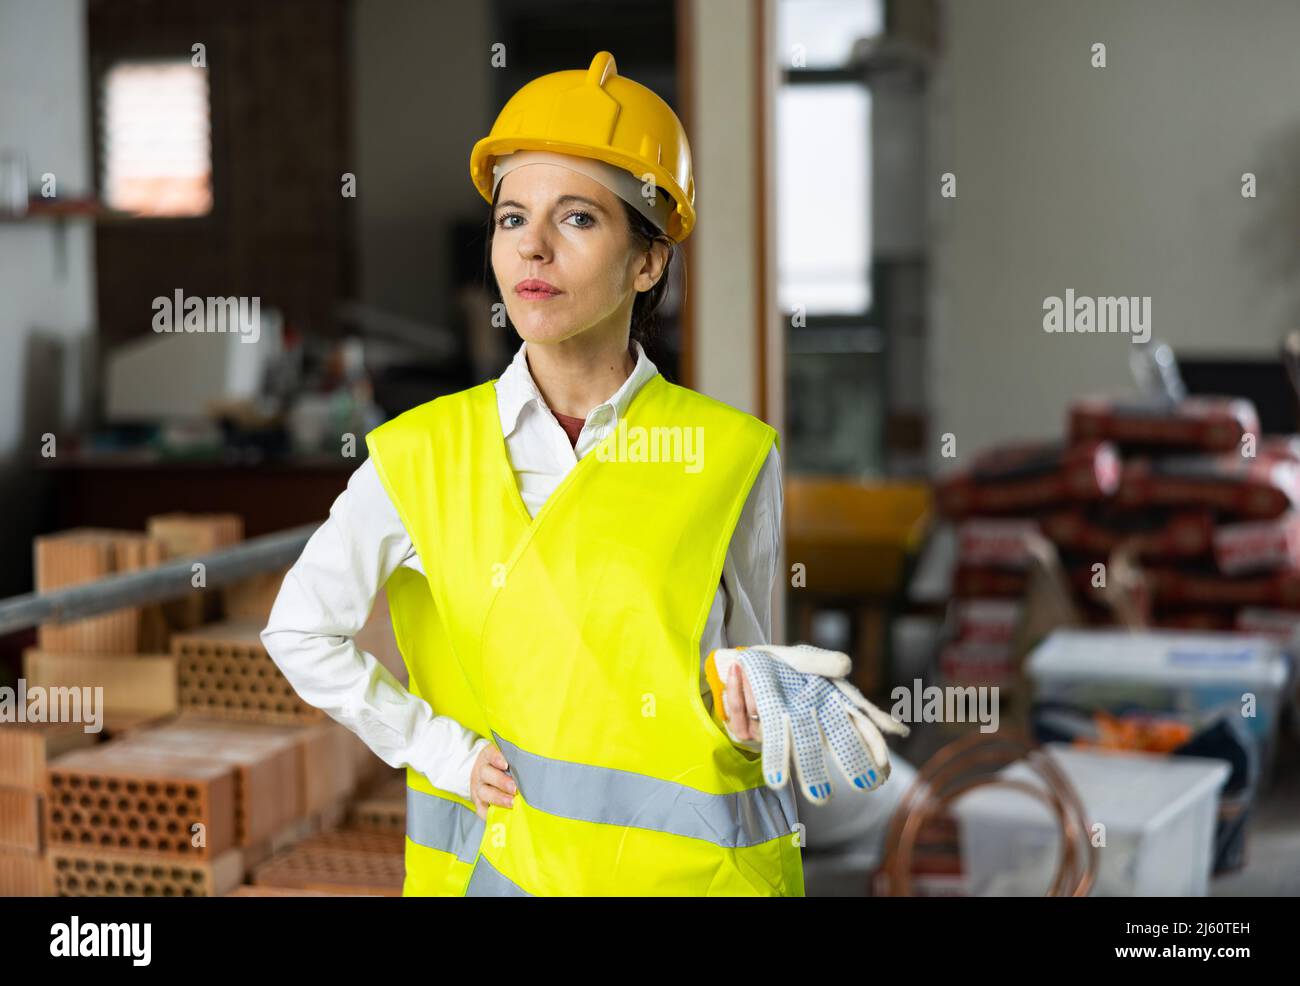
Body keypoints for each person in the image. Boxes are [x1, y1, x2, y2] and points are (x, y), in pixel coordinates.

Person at [261, 51, 903, 897]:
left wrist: (755, 695)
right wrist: (438, 750)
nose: (531, 245)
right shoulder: (421, 456)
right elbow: (300, 630)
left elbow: (731, 670)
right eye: (510, 217)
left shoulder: (730, 453)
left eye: (577, 219)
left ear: (648, 263)